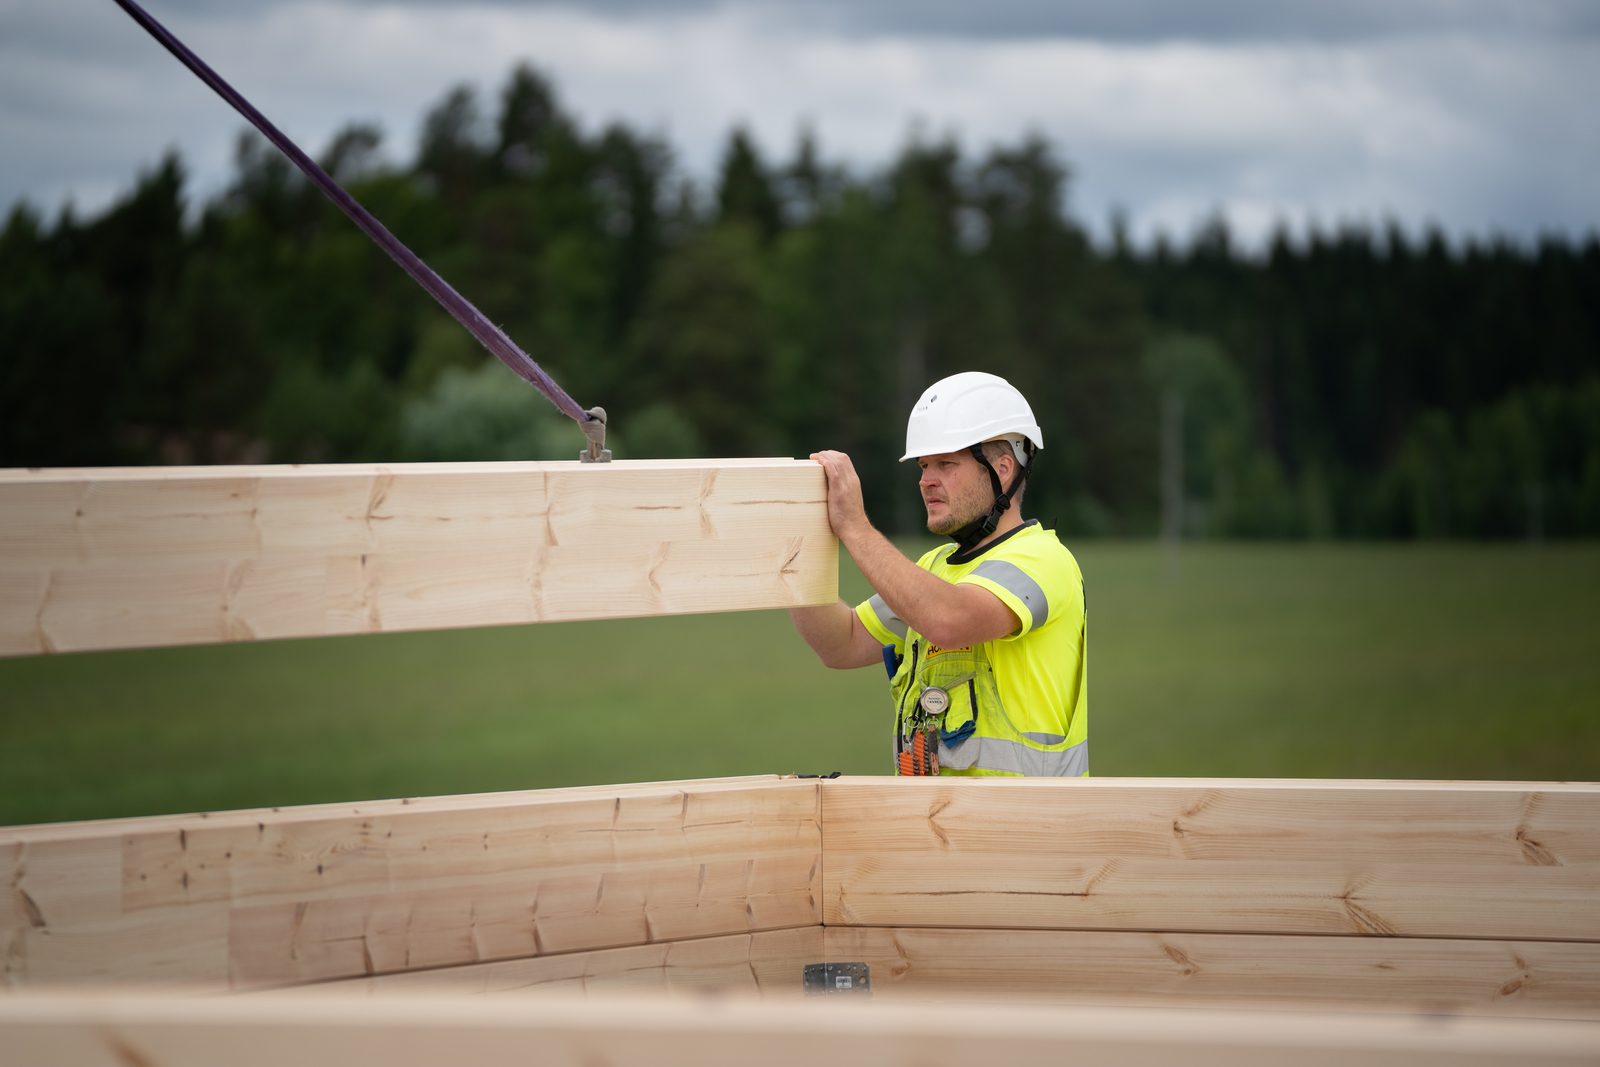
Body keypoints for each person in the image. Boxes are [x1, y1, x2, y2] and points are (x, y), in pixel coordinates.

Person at [790, 371, 1088, 776]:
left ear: (1002, 469)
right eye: (923, 465)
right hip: (935, 816)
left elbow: (949, 620)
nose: (926, 481)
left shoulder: (1043, 559)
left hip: (1026, 818)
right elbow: (842, 643)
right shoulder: (934, 569)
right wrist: (793, 553)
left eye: (946, 464)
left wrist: (855, 527)